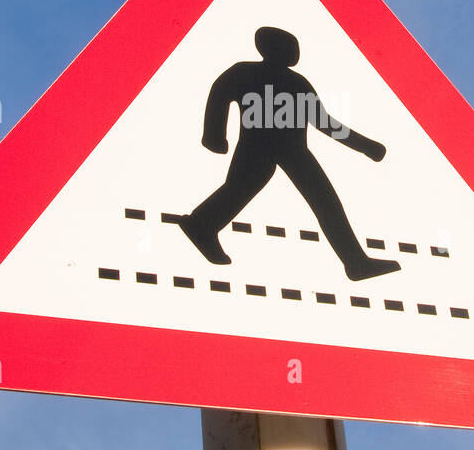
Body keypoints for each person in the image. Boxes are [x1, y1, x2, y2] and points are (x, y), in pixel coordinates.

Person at [170, 27, 400, 281]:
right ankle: (201, 225)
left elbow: (323, 121)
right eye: (291, 48)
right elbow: (219, 95)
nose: (295, 53)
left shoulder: (296, 83)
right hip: (258, 148)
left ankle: (356, 262)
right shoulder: (245, 72)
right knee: (243, 190)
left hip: (292, 151)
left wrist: (366, 146)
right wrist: (213, 136)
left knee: (324, 201)